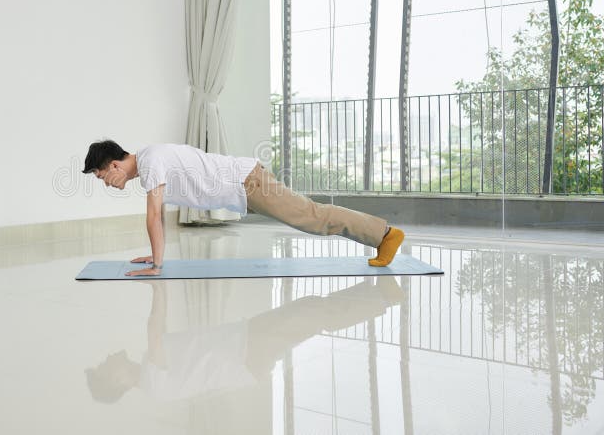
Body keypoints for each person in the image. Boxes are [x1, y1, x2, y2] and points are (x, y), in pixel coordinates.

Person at [82, 140, 405, 276]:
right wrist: (157, 257)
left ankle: (386, 235)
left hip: (247, 182)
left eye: (101, 176)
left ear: (113, 164)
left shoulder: (150, 161)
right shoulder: (151, 161)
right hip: (245, 184)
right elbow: (159, 217)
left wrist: (156, 266)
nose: (105, 182)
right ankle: (383, 234)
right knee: (311, 216)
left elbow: (153, 216)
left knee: (312, 217)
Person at [85, 277, 405, 403]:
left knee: (310, 311)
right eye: (103, 365)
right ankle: (382, 298)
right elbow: (154, 331)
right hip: (247, 350)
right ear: (115, 380)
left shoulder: (152, 374)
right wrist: (158, 288)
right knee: (312, 314)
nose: (108, 357)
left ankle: (377, 295)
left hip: (245, 342)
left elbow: (160, 334)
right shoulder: (152, 380)